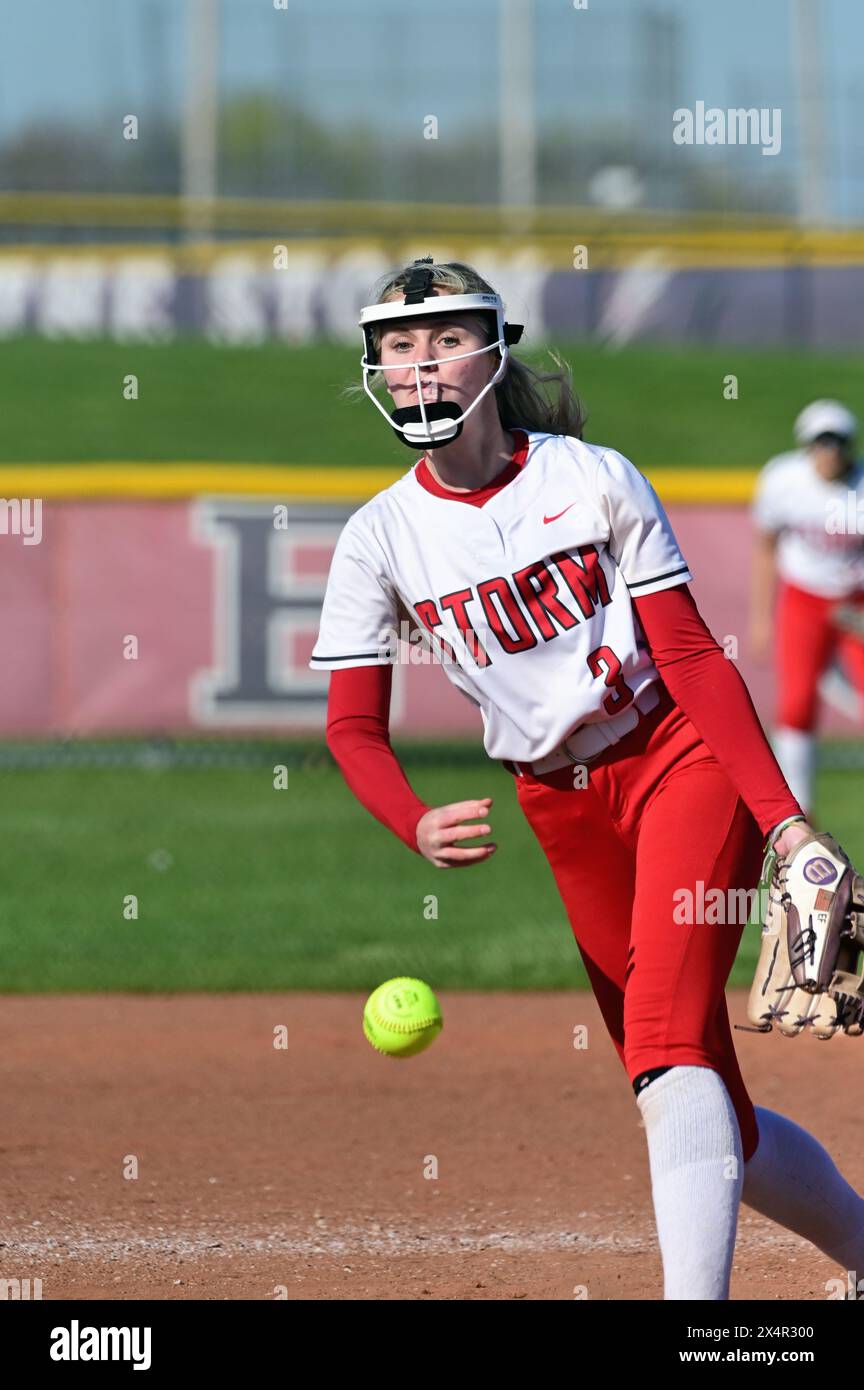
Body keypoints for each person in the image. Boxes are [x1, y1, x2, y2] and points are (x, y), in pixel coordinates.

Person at [309, 258, 864, 1300]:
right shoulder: (378, 536)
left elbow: (693, 658)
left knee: (663, 1048)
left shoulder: (590, 476)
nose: (419, 364)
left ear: (494, 348)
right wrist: (413, 821)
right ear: (374, 368)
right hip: (559, 807)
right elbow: (352, 728)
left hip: (676, 759)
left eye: (444, 338)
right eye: (396, 346)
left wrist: (784, 826)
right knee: (706, 1110)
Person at [750, 400, 864, 818]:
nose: (830, 452)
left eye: (838, 443)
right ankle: (799, 814)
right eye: (822, 443)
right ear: (808, 446)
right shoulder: (783, 480)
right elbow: (766, 547)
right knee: (796, 703)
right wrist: (761, 619)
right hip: (804, 598)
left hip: (856, 603)